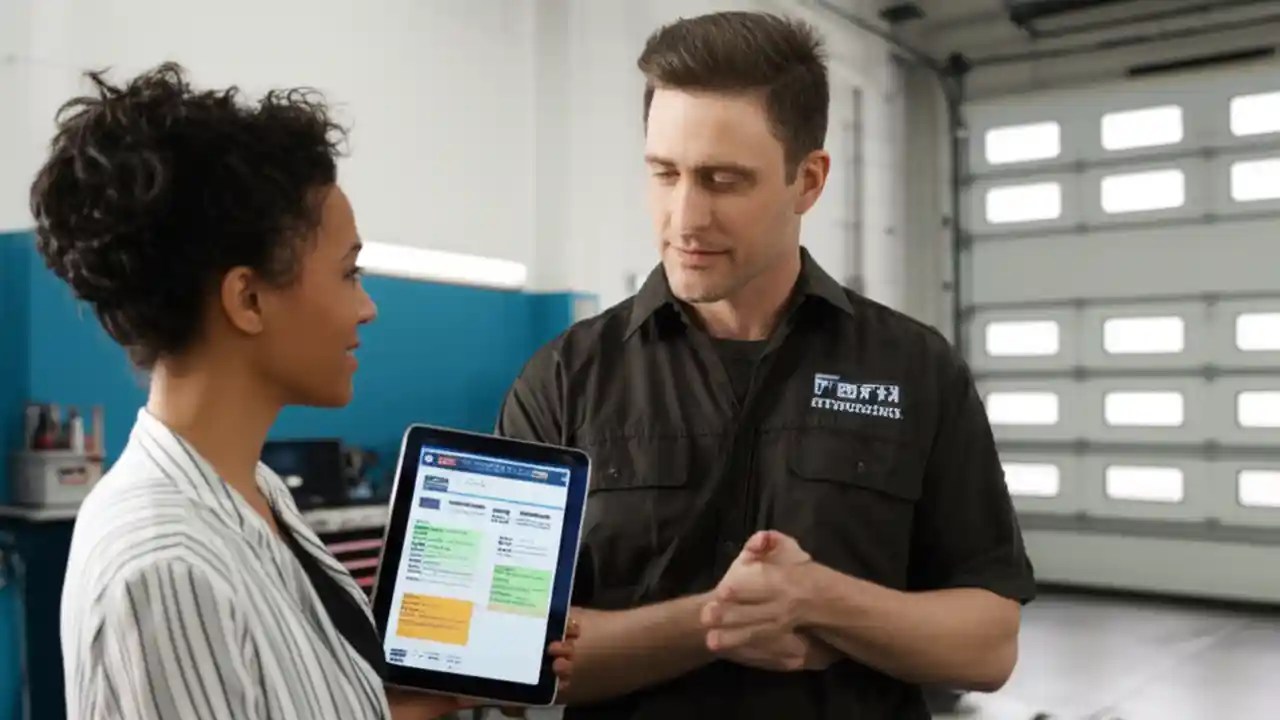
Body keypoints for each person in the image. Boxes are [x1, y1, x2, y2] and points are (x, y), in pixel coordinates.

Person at [495, 10, 1036, 720]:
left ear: (807, 180)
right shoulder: (564, 380)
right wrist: (721, 622)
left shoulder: (916, 371)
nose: (685, 218)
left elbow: (987, 648)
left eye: (723, 180)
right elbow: (504, 655)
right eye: (665, 174)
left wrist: (821, 598)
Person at [34, 63, 576, 720]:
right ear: (248, 299)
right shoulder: (167, 569)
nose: (367, 307)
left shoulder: (256, 493)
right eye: (349, 273)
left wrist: (447, 692)